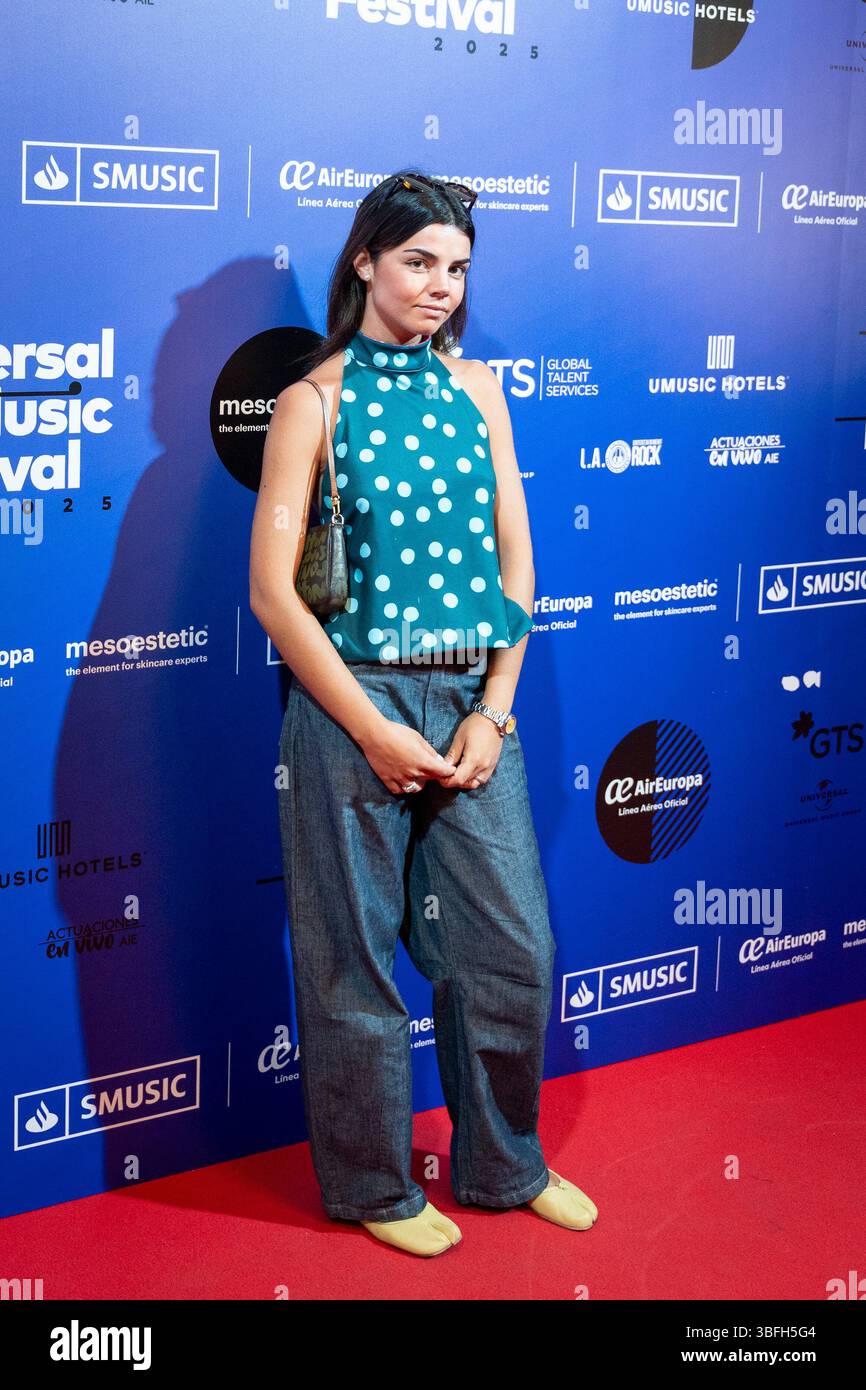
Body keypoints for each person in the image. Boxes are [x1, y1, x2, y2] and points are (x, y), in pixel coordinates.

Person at [249, 169, 598, 1257]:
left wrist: (492, 710)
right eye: (416, 262)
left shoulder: (481, 391)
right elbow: (271, 593)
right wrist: (368, 726)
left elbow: (516, 559)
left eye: (456, 267)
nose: (441, 285)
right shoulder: (314, 400)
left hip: (466, 698)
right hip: (349, 704)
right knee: (349, 964)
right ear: (364, 263)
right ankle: (372, 1187)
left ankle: (504, 1162)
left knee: (509, 951)